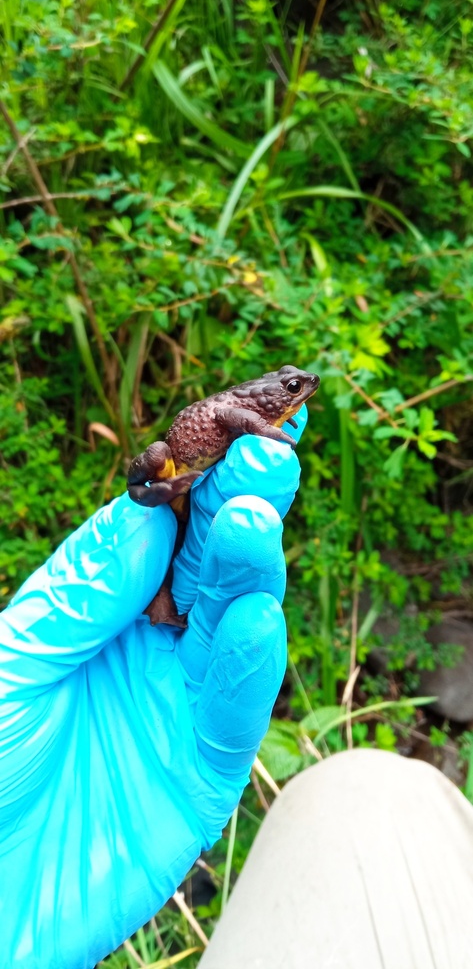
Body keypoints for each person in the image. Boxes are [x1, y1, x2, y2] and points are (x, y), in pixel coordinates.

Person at [0, 408, 307, 969]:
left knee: (221, 573)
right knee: (177, 538)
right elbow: (234, 418)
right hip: (170, 476)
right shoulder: (251, 411)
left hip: (187, 504)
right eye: (288, 393)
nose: (296, 398)